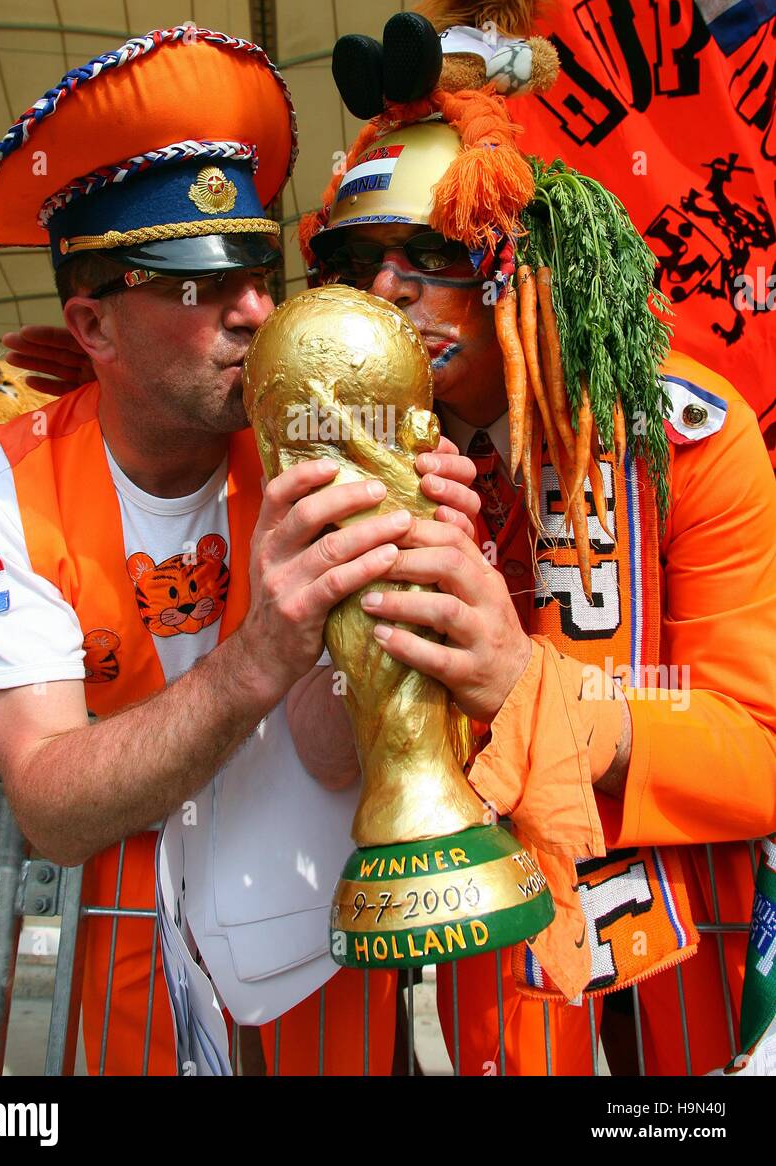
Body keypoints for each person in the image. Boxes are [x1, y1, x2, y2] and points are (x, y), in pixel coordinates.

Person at [0, 26, 480, 1075]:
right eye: (197, 285)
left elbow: (330, 750)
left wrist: (396, 592)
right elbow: (47, 802)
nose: (254, 313)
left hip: (332, 982)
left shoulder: (320, 426)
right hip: (130, 987)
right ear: (90, 323)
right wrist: (260, 655)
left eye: (259, 271)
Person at [293, 60, 776, 1076]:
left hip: (692, 969)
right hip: (487, 973)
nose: (387, 290)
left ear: (520, 264)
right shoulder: (337, 463)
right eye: (356, 261)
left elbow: (761, 752)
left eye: (432, 252)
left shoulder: (690, 437)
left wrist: (526, 689)